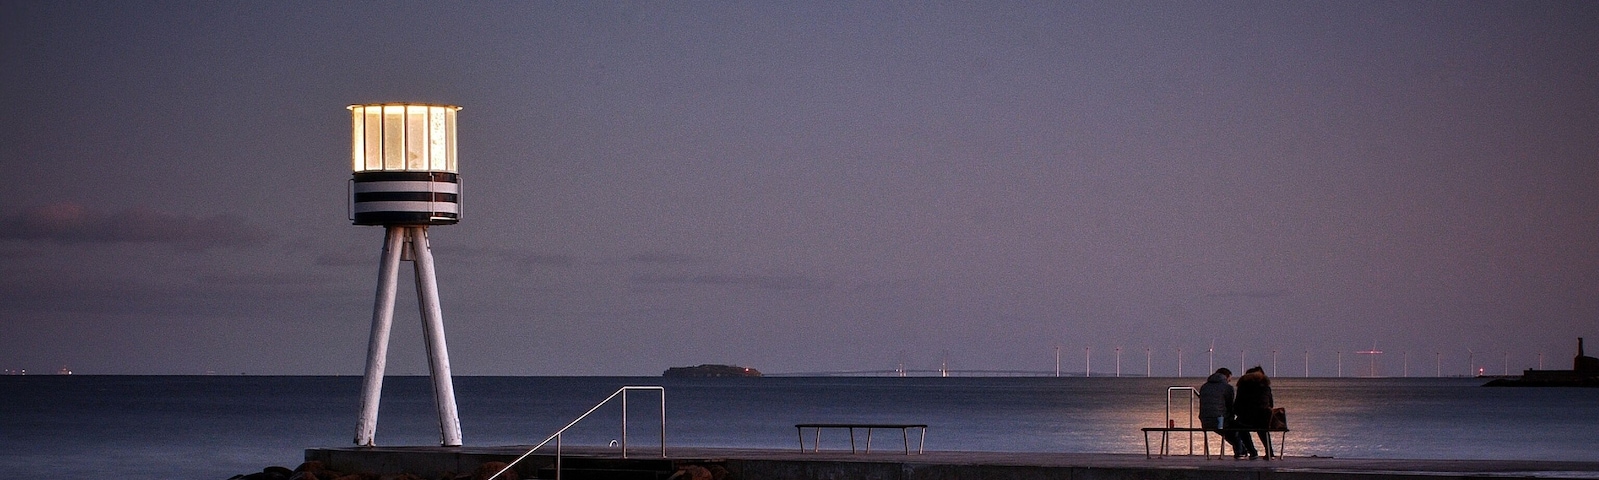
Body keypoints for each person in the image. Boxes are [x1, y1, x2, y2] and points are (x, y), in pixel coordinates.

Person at [1232, 366, 1274, 459]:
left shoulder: (1242, 387)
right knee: (1263, 429)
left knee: (1240, 427)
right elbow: (1271, 404)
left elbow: (1237, 405)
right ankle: (1270, 452)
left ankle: (1252, 451)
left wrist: (1238, 413)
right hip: (1264, 419)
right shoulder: (1266, 387)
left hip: (1246, 419)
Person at [1197, 367, 1241, 456]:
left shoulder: (1204, 386)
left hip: (1204, 420)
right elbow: (1230, 405)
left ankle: (1241, 450)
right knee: (1237, 429)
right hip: (1219, 421)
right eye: (1229, 379)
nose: (1229, 381)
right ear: (1226, 376)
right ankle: (1241, 451)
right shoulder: (1227, 387)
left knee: (1229, 431)